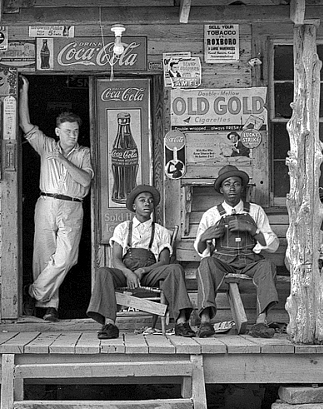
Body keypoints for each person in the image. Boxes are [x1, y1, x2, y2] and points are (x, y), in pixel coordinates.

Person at [19, 75, 93, 321]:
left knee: (66, 258)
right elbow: (25, 123)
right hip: (47, 202)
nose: (73, 135)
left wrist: (62, 160)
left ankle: (33, 292)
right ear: (57, 131)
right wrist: (25, 91)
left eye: (76, 131)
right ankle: (49, 307)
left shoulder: (84, 153)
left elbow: (85, 180)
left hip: (72, 205)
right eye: (68, 131)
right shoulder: (46, 144)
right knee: (44, 255)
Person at [86, 184, 193, 340]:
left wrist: (143, 271)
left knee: (175, 268)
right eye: (142, 200)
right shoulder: (122, 228)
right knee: (103, 272)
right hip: (126, 272)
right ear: (134, 206)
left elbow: (163, 261)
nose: (147, 203)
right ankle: (109, 324)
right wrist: (128, 272)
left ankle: (182, 322)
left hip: (150, 273)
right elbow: (115, 258)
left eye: (150, 201)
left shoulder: (160, 231)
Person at [194, 164, 279, 338]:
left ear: (242, 188)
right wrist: (204, 237)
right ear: (221, 189)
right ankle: (204, 321)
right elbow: (201, 250)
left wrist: (251, 229)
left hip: (250, 261)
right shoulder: (211, 215)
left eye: (236, 184)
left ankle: (261, 322)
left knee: (267, 266)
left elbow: (272, 245)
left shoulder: (255, 211)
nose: (232, 188)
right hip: (223, 262)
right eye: (227, 184)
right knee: (206, 264)